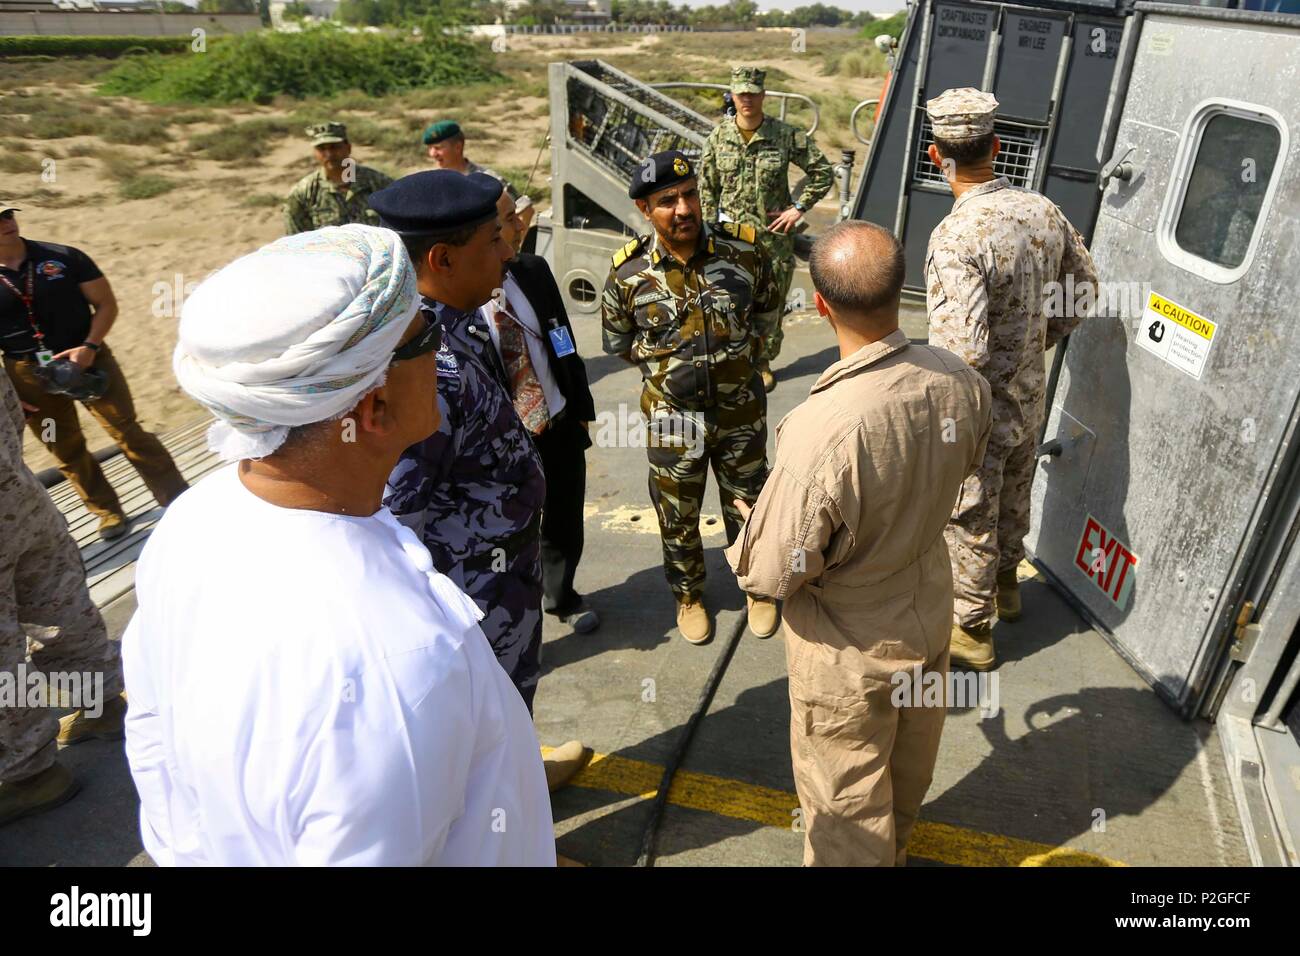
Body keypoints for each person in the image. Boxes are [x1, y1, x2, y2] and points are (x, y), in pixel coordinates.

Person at [123, 225, 554, 866]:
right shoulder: (400, 661)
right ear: (375, 407)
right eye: (424, 338)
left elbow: (153, 739)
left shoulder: (191, 522)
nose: (443, 354)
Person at [726, 221, 992, 866]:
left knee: (847, 805)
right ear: (902, 289)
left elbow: (768, 575)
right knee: (906, 773)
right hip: (929, 611)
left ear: (820, 304)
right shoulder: (958, 377)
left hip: (850, 645)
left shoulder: (821, 431)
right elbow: (968, 470)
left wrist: (756, 523)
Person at [370, 172, 591, 791]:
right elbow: (396, 518)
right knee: (475, 742)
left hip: (501, 580)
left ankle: (519, 775)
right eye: (493, 240)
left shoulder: (450, 327)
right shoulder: (424, 371)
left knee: (503, 720)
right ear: (442, 258)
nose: (507, 252)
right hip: (470, 598)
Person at [924, 89, 1099, 670]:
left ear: (935, 157)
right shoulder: (1042, 210)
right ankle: (1007, 586)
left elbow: (962, 353)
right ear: (997, 148)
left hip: (977, 408)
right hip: (1028, 391)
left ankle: (972, 631)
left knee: (969, 509)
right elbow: (1084, 290)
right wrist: (1035, 342)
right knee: (1016, 492)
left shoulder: (957, 236)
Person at [601, 150, 781, 645]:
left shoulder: (743, 253)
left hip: (740, 410)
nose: (683, 209)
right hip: (672, 419)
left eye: (689, 195)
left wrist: (743, 359)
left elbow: (766, 313)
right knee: (677, 513)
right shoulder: (628, 275)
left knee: (749, 503)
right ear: (644, 210)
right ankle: (689, 597)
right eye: (667, 201)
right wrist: (666, 370)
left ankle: (758, 587)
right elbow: (617, 344)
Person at [0, 204, 188, 540]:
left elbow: (106, 304)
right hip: (27, 373)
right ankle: (107, 512)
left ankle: (178, 500)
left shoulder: (64, 256)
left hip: (88, 358)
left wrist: (90, 348)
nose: (6, 224)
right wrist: (10, 396)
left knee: (127, 431)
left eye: (7, 215)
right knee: (63, 447)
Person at [0, 373, 129, 828]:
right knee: (59, 607)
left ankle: (29, 773)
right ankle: (101, 704)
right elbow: (14, 414)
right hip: (21, 500)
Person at [484, 182, 600, 634]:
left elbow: (562, 339)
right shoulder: (454, 303)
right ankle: (512, 620)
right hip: (504, 441)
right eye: (510, 218)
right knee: (507, 532)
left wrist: (580, 405)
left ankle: (561, 595)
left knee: (565, 518)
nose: (521, 224)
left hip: (557, 421)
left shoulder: (533, 270)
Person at [698, 66, 834, 392]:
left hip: (773, 240)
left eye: (752, 93)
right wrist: (705, 235)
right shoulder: (719, 137)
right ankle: (730, 361)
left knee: (769, 308)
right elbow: (706, 188)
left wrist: (797, 209)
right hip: (730, 241)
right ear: (732, 95)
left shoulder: (784, 135)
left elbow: (822, 171)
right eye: (741, 93)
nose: (747, 99)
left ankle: (761, 363)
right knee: (729, 304)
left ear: (763, 95)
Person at [423, 119, 536, 237]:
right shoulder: (433, 182)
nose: (432, 154)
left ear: (457, 147)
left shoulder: (487, 179)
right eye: (430, 148)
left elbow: (526, 210)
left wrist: (514, 245)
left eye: (438, 148)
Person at [284, 123, 393, 235]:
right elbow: (296, 240)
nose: (329, 154)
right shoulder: (304, 193)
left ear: (348, 148)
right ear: (315, 153)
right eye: (322, 149)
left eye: (334, 147)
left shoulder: (379, 184)